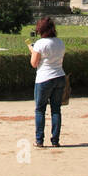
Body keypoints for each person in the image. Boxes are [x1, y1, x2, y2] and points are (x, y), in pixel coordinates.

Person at [27, 17, 66, 148]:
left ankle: (39, 140)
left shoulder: (40, 43)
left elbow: (34, 63)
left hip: (44, 78)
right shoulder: (60, 42)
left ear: (40, 30)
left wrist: (32, 51)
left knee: (40, 110)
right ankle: (55, 140)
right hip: (60, 76)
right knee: (56, 110)